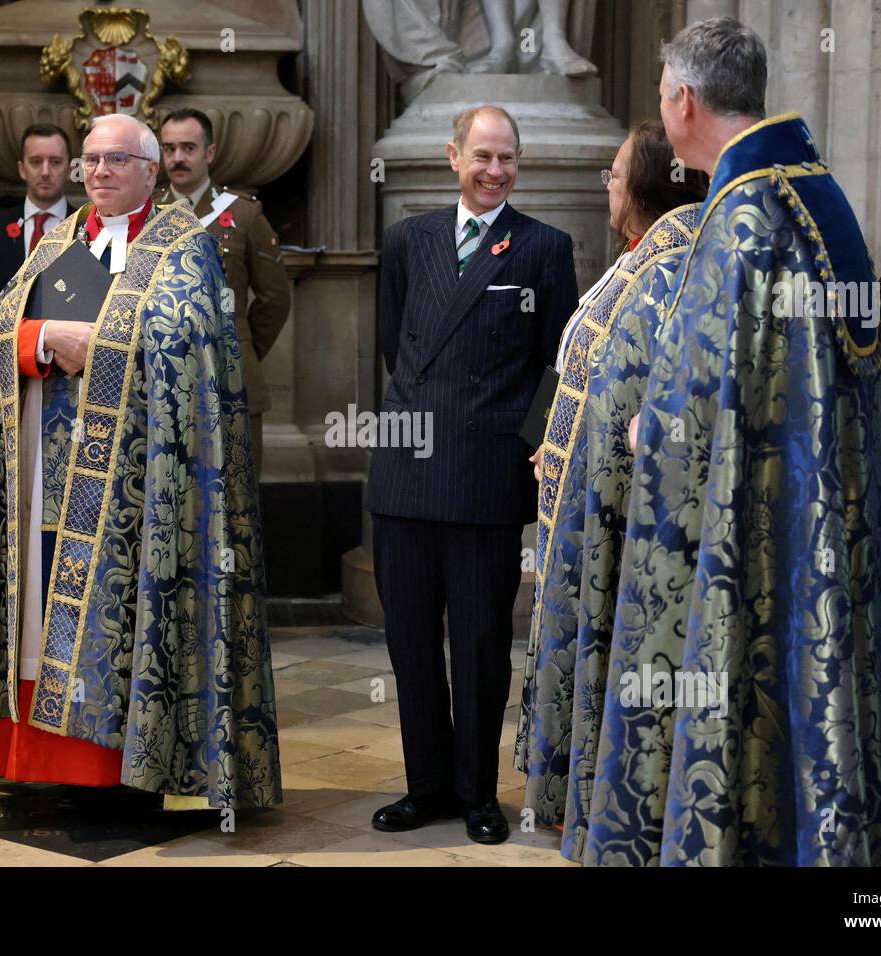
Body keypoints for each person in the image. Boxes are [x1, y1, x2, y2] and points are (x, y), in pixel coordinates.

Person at [589, 18, 881, 865]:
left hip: (759, 524)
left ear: (684, 101)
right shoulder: (813, 189)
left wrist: (645, 425)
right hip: (817, 510)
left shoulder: (742, 215)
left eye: (664, 95)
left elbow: (704, 398)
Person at [0, 113, 282, 811]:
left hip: (142, 484)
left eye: (117, 159)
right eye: (91, 160)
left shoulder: (184, 249)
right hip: (44, 472)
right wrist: (47, 337)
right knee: (44, 614)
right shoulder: (55, 243)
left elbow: (189, 347)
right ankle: (41, 763)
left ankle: (130, 772)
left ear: (149, 169)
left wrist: (103, 345)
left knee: (126, 618)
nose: (100, 172)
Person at [367, 104, 578, 844]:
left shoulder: (544, 247)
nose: (495, 171)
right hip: (404, 471)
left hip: (487, 474)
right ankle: (426, 787)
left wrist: (519, 443)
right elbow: (395, 343)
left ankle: (478, 793)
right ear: (452, 155)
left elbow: (558, 364)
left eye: (508, 159)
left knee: (484, 642)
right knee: (412, 642)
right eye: (482, 156)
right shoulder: (407, 240)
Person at [513, 120, 707, 861]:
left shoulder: (668, 269)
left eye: (616, 172)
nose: (608, 184)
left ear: (648, 184)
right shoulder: (638, 261)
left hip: (621, 518)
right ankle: (576, 792)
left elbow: (637, 396)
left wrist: (582, 450)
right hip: (577, 494)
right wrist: (553, 446)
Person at [156, 107, 292, 475]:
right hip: (163, 378)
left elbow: (274, 299)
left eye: (188, 148)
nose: (178, 158)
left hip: (232, 378)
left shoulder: (244, 215)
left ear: (210, 153)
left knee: (237, 491)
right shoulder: (148, 213)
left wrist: (241, 346)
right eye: (169, 149)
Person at [0, 123, 72, 346]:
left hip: (71, 366)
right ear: (22, 169)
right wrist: (1, 354)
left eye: (55, 162)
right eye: (36, 162)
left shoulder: (88, 228)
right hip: (5, 360)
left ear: (70, 169)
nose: (45, 172)